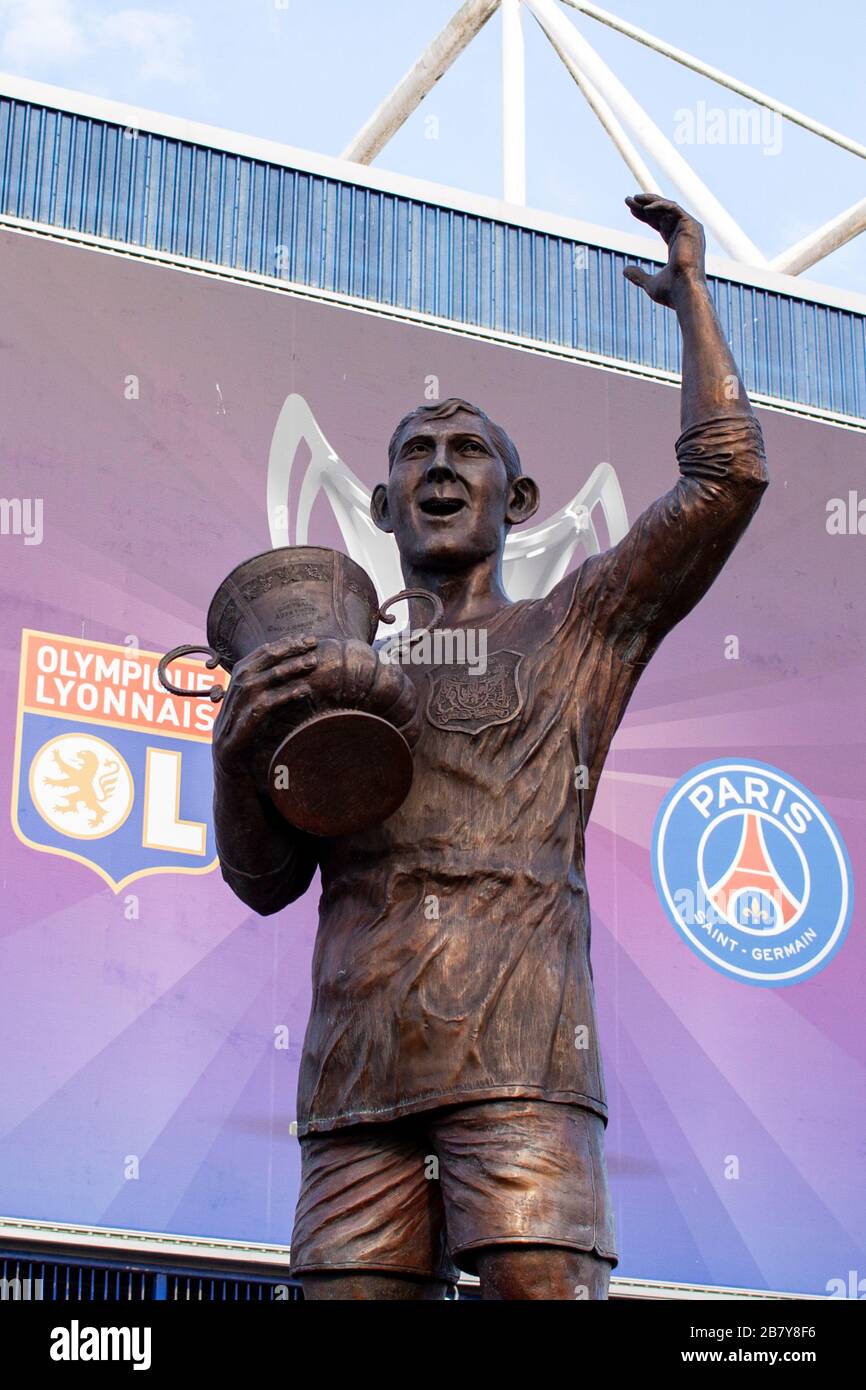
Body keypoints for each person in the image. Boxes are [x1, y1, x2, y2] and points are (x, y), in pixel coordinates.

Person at [212, 195, 769, 1300]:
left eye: (466, 450)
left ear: (515, 499)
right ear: (380, 505)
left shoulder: (576, 628)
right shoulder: (326, 674)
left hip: (523, 1066)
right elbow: (265, 881)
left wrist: (692, 296)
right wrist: (235, 750)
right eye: (416, 452)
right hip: (356, 1079)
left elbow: (725, 478)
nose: (438, 465)